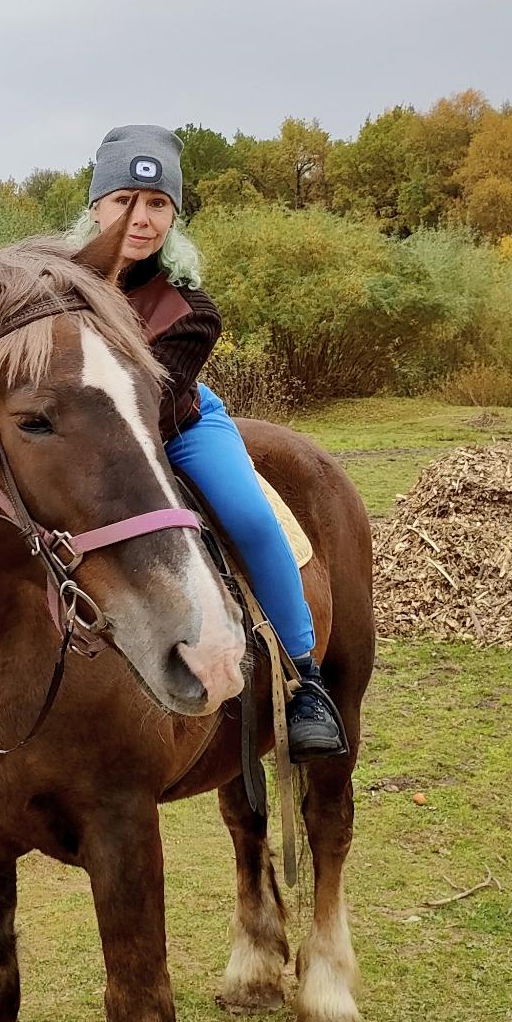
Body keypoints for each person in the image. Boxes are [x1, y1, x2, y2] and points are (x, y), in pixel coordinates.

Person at [71, 123, 348, 759]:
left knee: (251, 517)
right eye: (124, 201)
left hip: (179, 429)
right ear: (96, 208)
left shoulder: (188, 309)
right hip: (90, 443)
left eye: (158, 204)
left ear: (174, 215)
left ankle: (305, 680)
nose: (140, 218)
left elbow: (153, 409)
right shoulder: (57, 291)